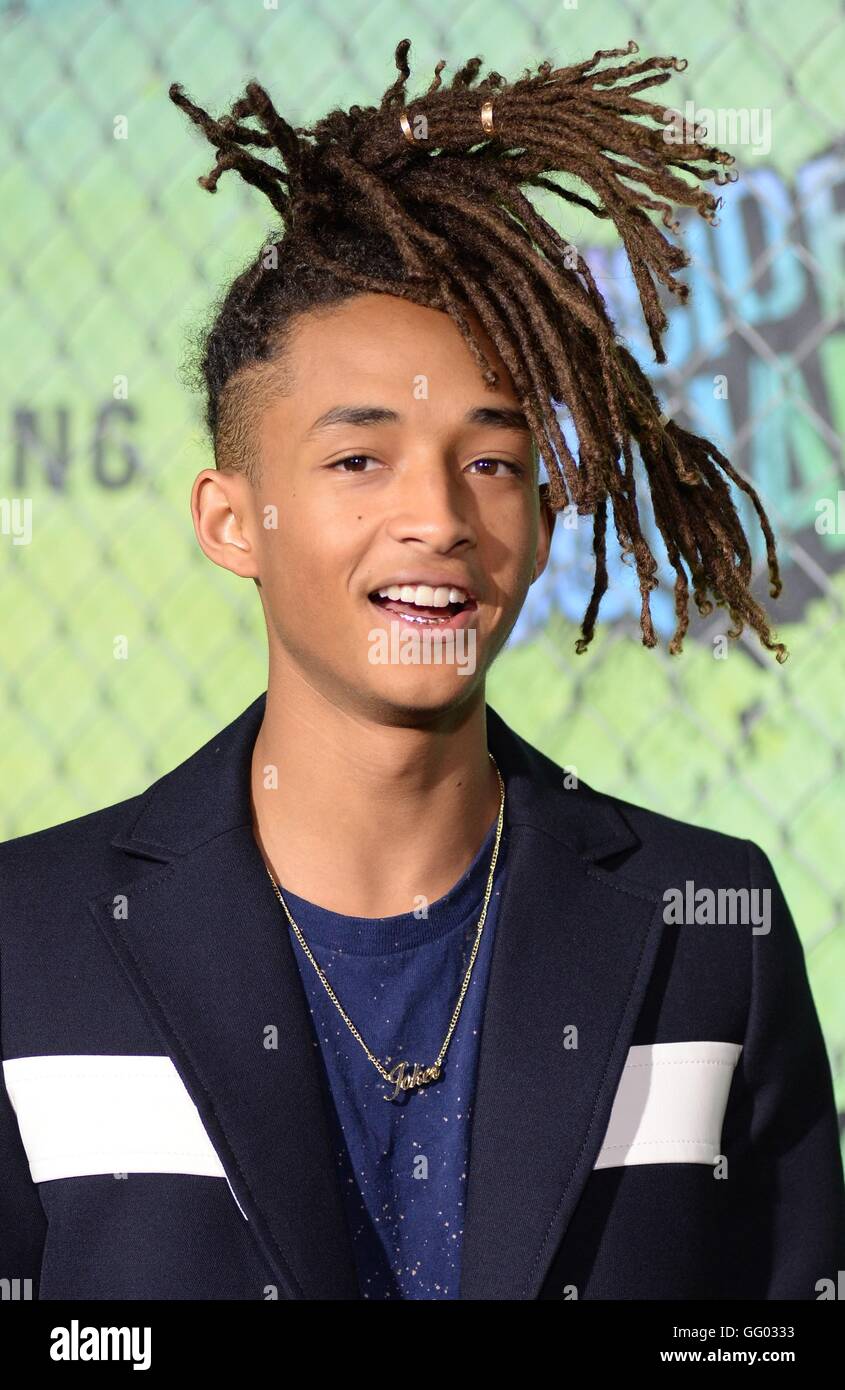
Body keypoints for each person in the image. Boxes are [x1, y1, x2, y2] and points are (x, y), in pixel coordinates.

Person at [1, 38, 842, 1301]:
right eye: (358, 459)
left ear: (546, 516)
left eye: (491, 460)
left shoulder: (708, 925)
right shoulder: (28, 937)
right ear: (231, 519)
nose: (438, 516)